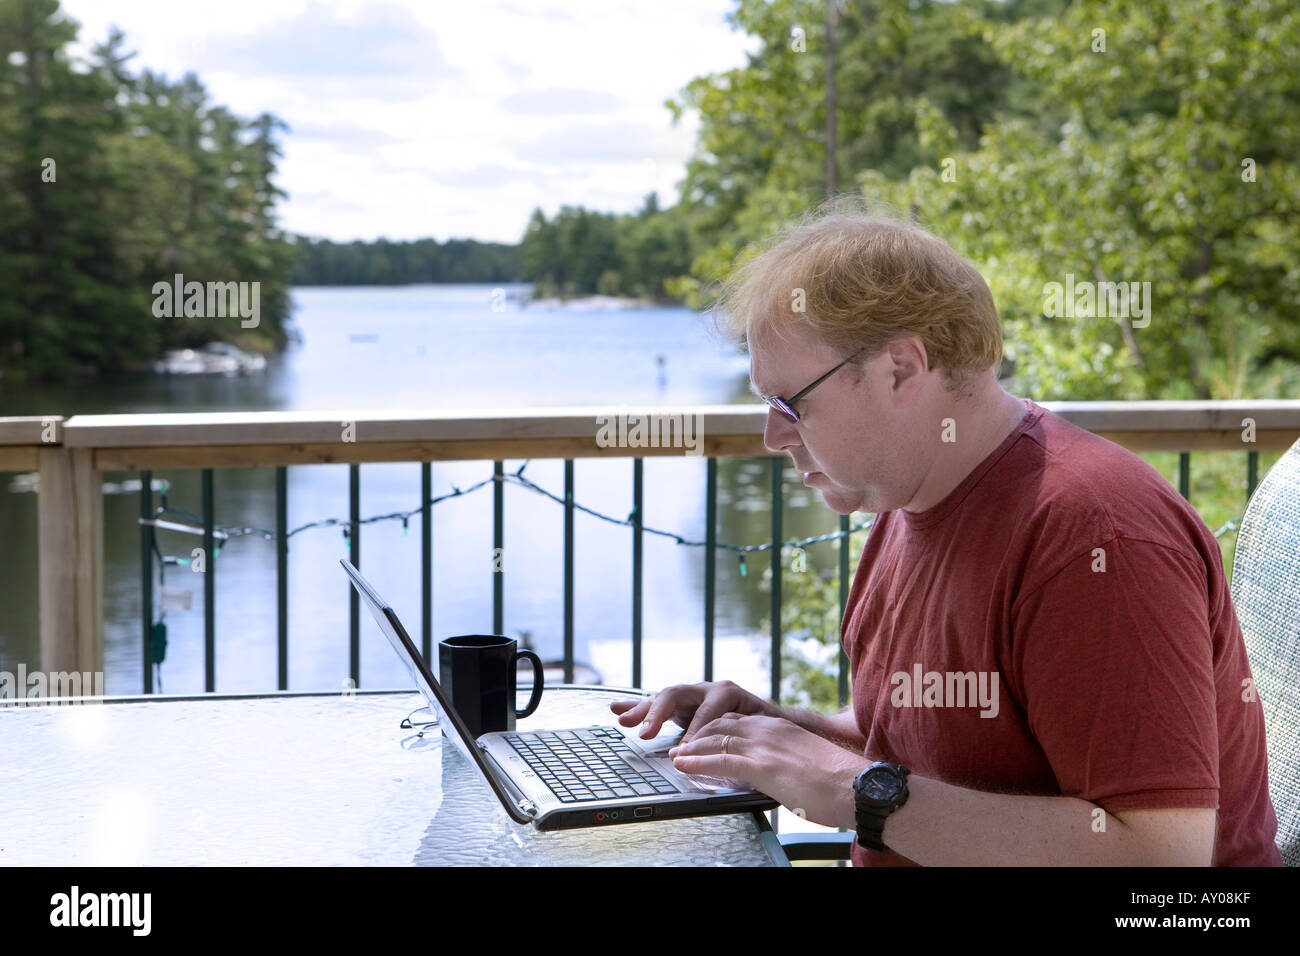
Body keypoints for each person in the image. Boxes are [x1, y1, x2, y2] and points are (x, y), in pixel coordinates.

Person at [610, 205, 1282, 866]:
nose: (772, 436)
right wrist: (772, 732)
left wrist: (843, 788)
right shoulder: (911, 503)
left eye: (792, 404)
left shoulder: (1095, 537)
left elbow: (1160, 855)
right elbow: (924, 751)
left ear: (901, 368)